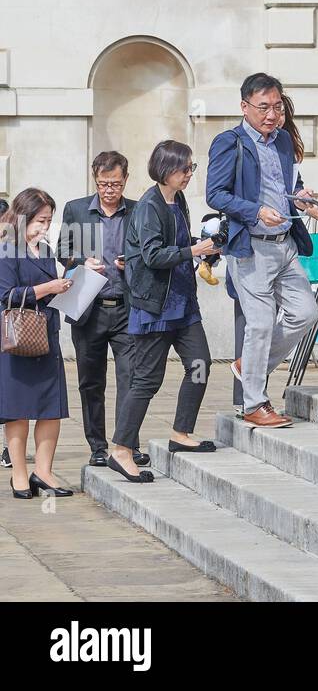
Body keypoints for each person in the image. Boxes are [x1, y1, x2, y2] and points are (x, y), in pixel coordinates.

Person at [207, 72, 318, 429]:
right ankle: (254, 402)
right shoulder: (228, 142)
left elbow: (288, 188)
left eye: (277, 107)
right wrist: (254, 211)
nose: (271, 115)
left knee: (306, 314)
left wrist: (310, 205)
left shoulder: (281, 141)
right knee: (261, 323)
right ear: (244, 107)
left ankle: (249, 367)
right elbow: (215, 194)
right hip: (250, 248)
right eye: (263, 107)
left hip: (286, 244)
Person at [106, 141, 221, 483]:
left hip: (184, 306)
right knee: (146, 381)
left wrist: (203, 251)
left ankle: (181, 432)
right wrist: (193, 249)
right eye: (184, 169)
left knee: (200, 365)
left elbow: (176, 247)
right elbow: (154, 256)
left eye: (191, 169)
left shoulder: (178, 200)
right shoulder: (148, 206)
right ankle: (121, 449)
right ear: (166, 169)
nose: (188, 175)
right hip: (155, 308)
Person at [56, 151, 151, 468]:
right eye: (103, 184)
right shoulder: (77, 209)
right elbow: (63, 250)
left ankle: (127, 445)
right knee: (91, 382)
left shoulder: (138, 211)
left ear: (126, 179)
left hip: (128, 308)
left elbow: (151, 251)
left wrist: (132, 261)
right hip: (89, 308)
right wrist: (83, 262)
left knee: (131, 380)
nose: (109, 190)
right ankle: (97, 446)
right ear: (94, 179)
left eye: (115, 184)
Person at [0, 189, 74, 498]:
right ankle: (19, 474)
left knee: (49, 408)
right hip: (16, 337)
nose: (45, 227)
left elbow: (49, 293)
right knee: (17, 410)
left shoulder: (44, 250)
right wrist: (48, 287)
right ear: (24, 217)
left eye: (49, 220)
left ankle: (43, 471)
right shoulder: (7, 248)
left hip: (46, 334)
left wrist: (72, 282)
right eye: (41, 220)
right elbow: (7, 295)